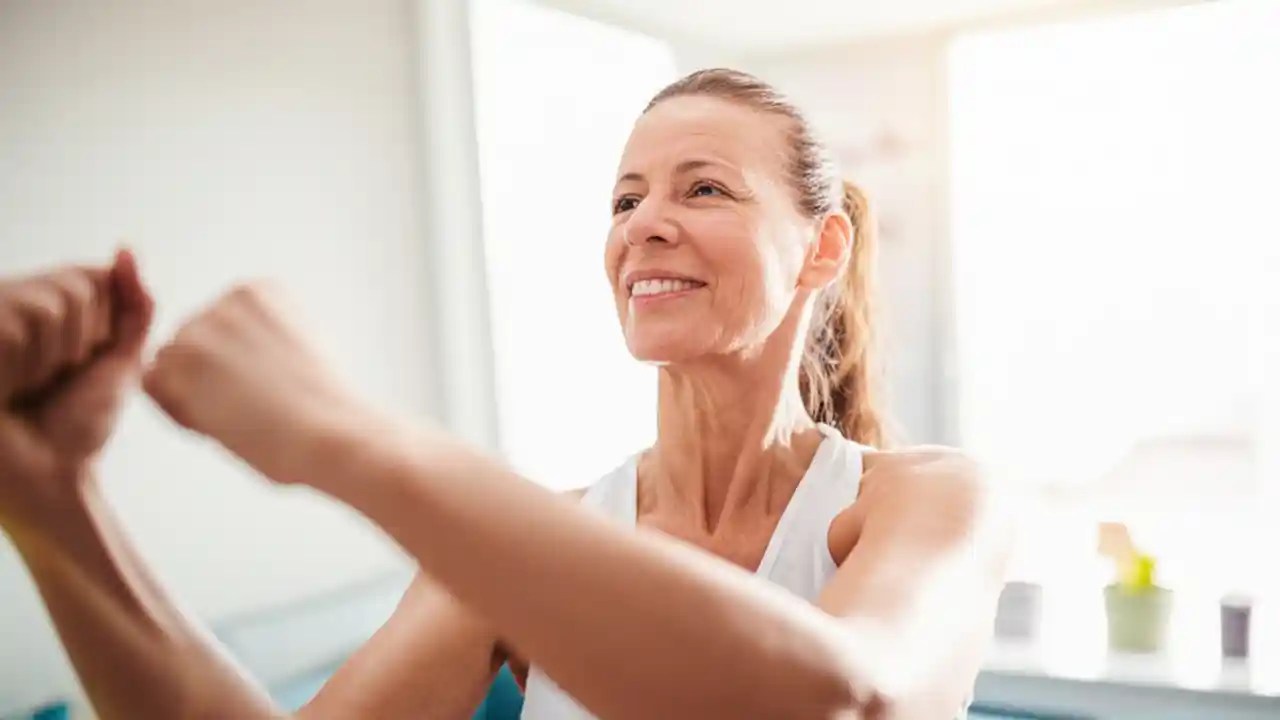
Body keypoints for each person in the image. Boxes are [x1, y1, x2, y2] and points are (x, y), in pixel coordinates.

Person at [0, 69, 1009, 719]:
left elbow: (845, 702)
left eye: (701, 188)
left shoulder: (926, 500)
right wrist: (53, 503)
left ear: (820, 248)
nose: (642, 225)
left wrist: (348, 439)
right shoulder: (530, 548)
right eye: (625, 198)